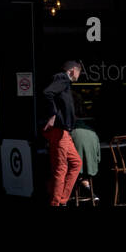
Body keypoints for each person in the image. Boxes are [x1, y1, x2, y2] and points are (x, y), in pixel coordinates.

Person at [40, 60, 83, 207]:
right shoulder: (62, 78)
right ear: (72, 70)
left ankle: (62, 200)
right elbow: (47, 92)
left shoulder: (65, 83)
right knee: (61, 168)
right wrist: (52, 114)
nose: (80, 75)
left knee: (76, 163)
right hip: (60, 132)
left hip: (64, 133)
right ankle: (56, 203)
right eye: (79, 71)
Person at [69, 121, 101, 205]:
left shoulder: (71, 133)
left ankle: (87, 188)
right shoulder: (93, 133)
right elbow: (98, 157)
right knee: (81, 171)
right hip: (91, 167)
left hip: (75, 168)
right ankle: (89, 190)